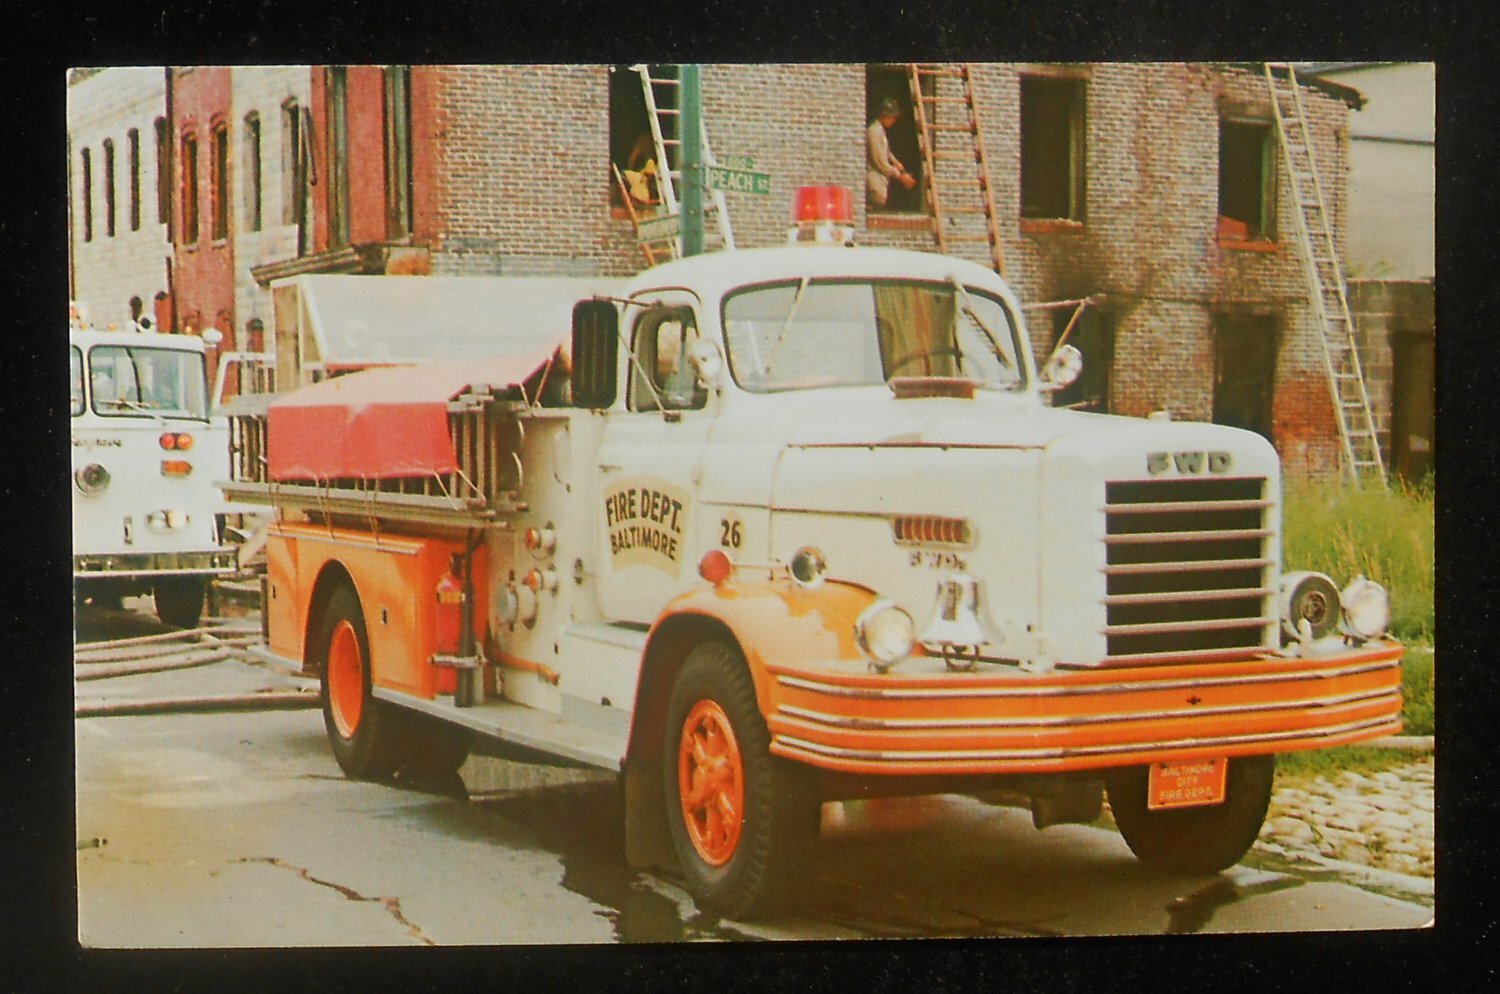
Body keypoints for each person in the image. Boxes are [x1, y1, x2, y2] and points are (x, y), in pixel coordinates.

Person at [867, 98, 917, 209]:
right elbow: (880, 161)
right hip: (875, 177)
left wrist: (895, 162)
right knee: (877, 203)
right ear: (885, 115)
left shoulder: (880, 130)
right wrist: (900, 176)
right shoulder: (874, 131)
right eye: (892, 117)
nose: (894, 121)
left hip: (882, 177)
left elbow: (886, 150)